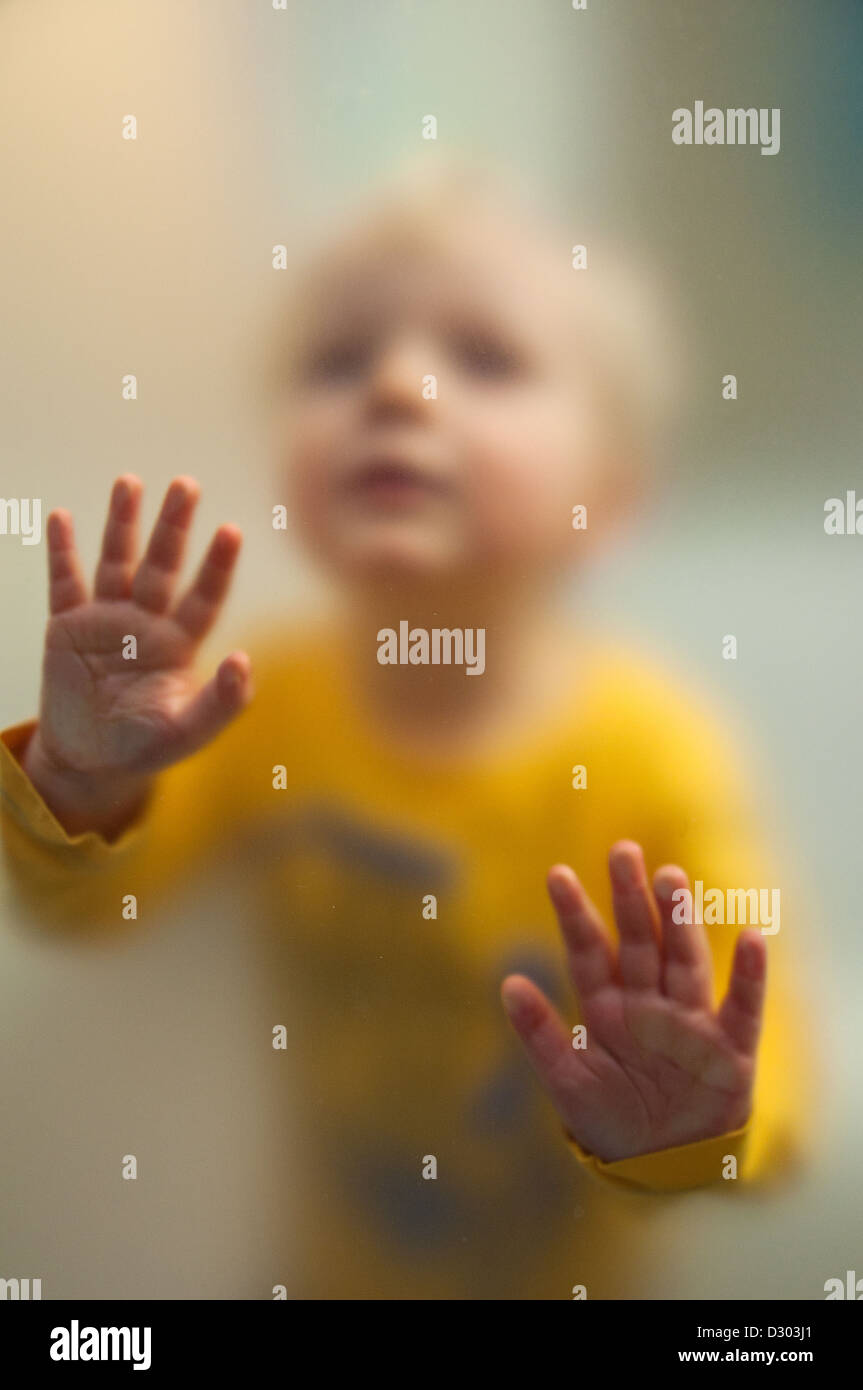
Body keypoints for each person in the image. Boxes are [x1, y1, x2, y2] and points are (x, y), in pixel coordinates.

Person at [0, 161, 811, 1298]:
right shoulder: (259, 699)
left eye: (482, 357)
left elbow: (771, 1069)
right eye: (338, 359)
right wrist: (79, 778)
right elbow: (91, 909)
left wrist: (696, 1129)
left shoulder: (658, 751)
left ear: (611, 496)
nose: (393, 385)